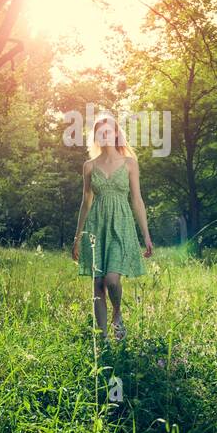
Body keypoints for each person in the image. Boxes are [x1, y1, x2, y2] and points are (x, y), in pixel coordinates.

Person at [71, 113, 154, 340]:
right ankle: (103, 338)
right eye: (100, 132)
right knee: (98, 282)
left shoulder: (129, 163)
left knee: (111, 280)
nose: (104, 135)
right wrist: (77, 237)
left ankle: (117, 314)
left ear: (116, 133)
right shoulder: (89, 166)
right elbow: (85, 202)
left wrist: (146, 234)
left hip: (121, 225)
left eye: (108, 131)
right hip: (96, 226)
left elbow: (137, 200)